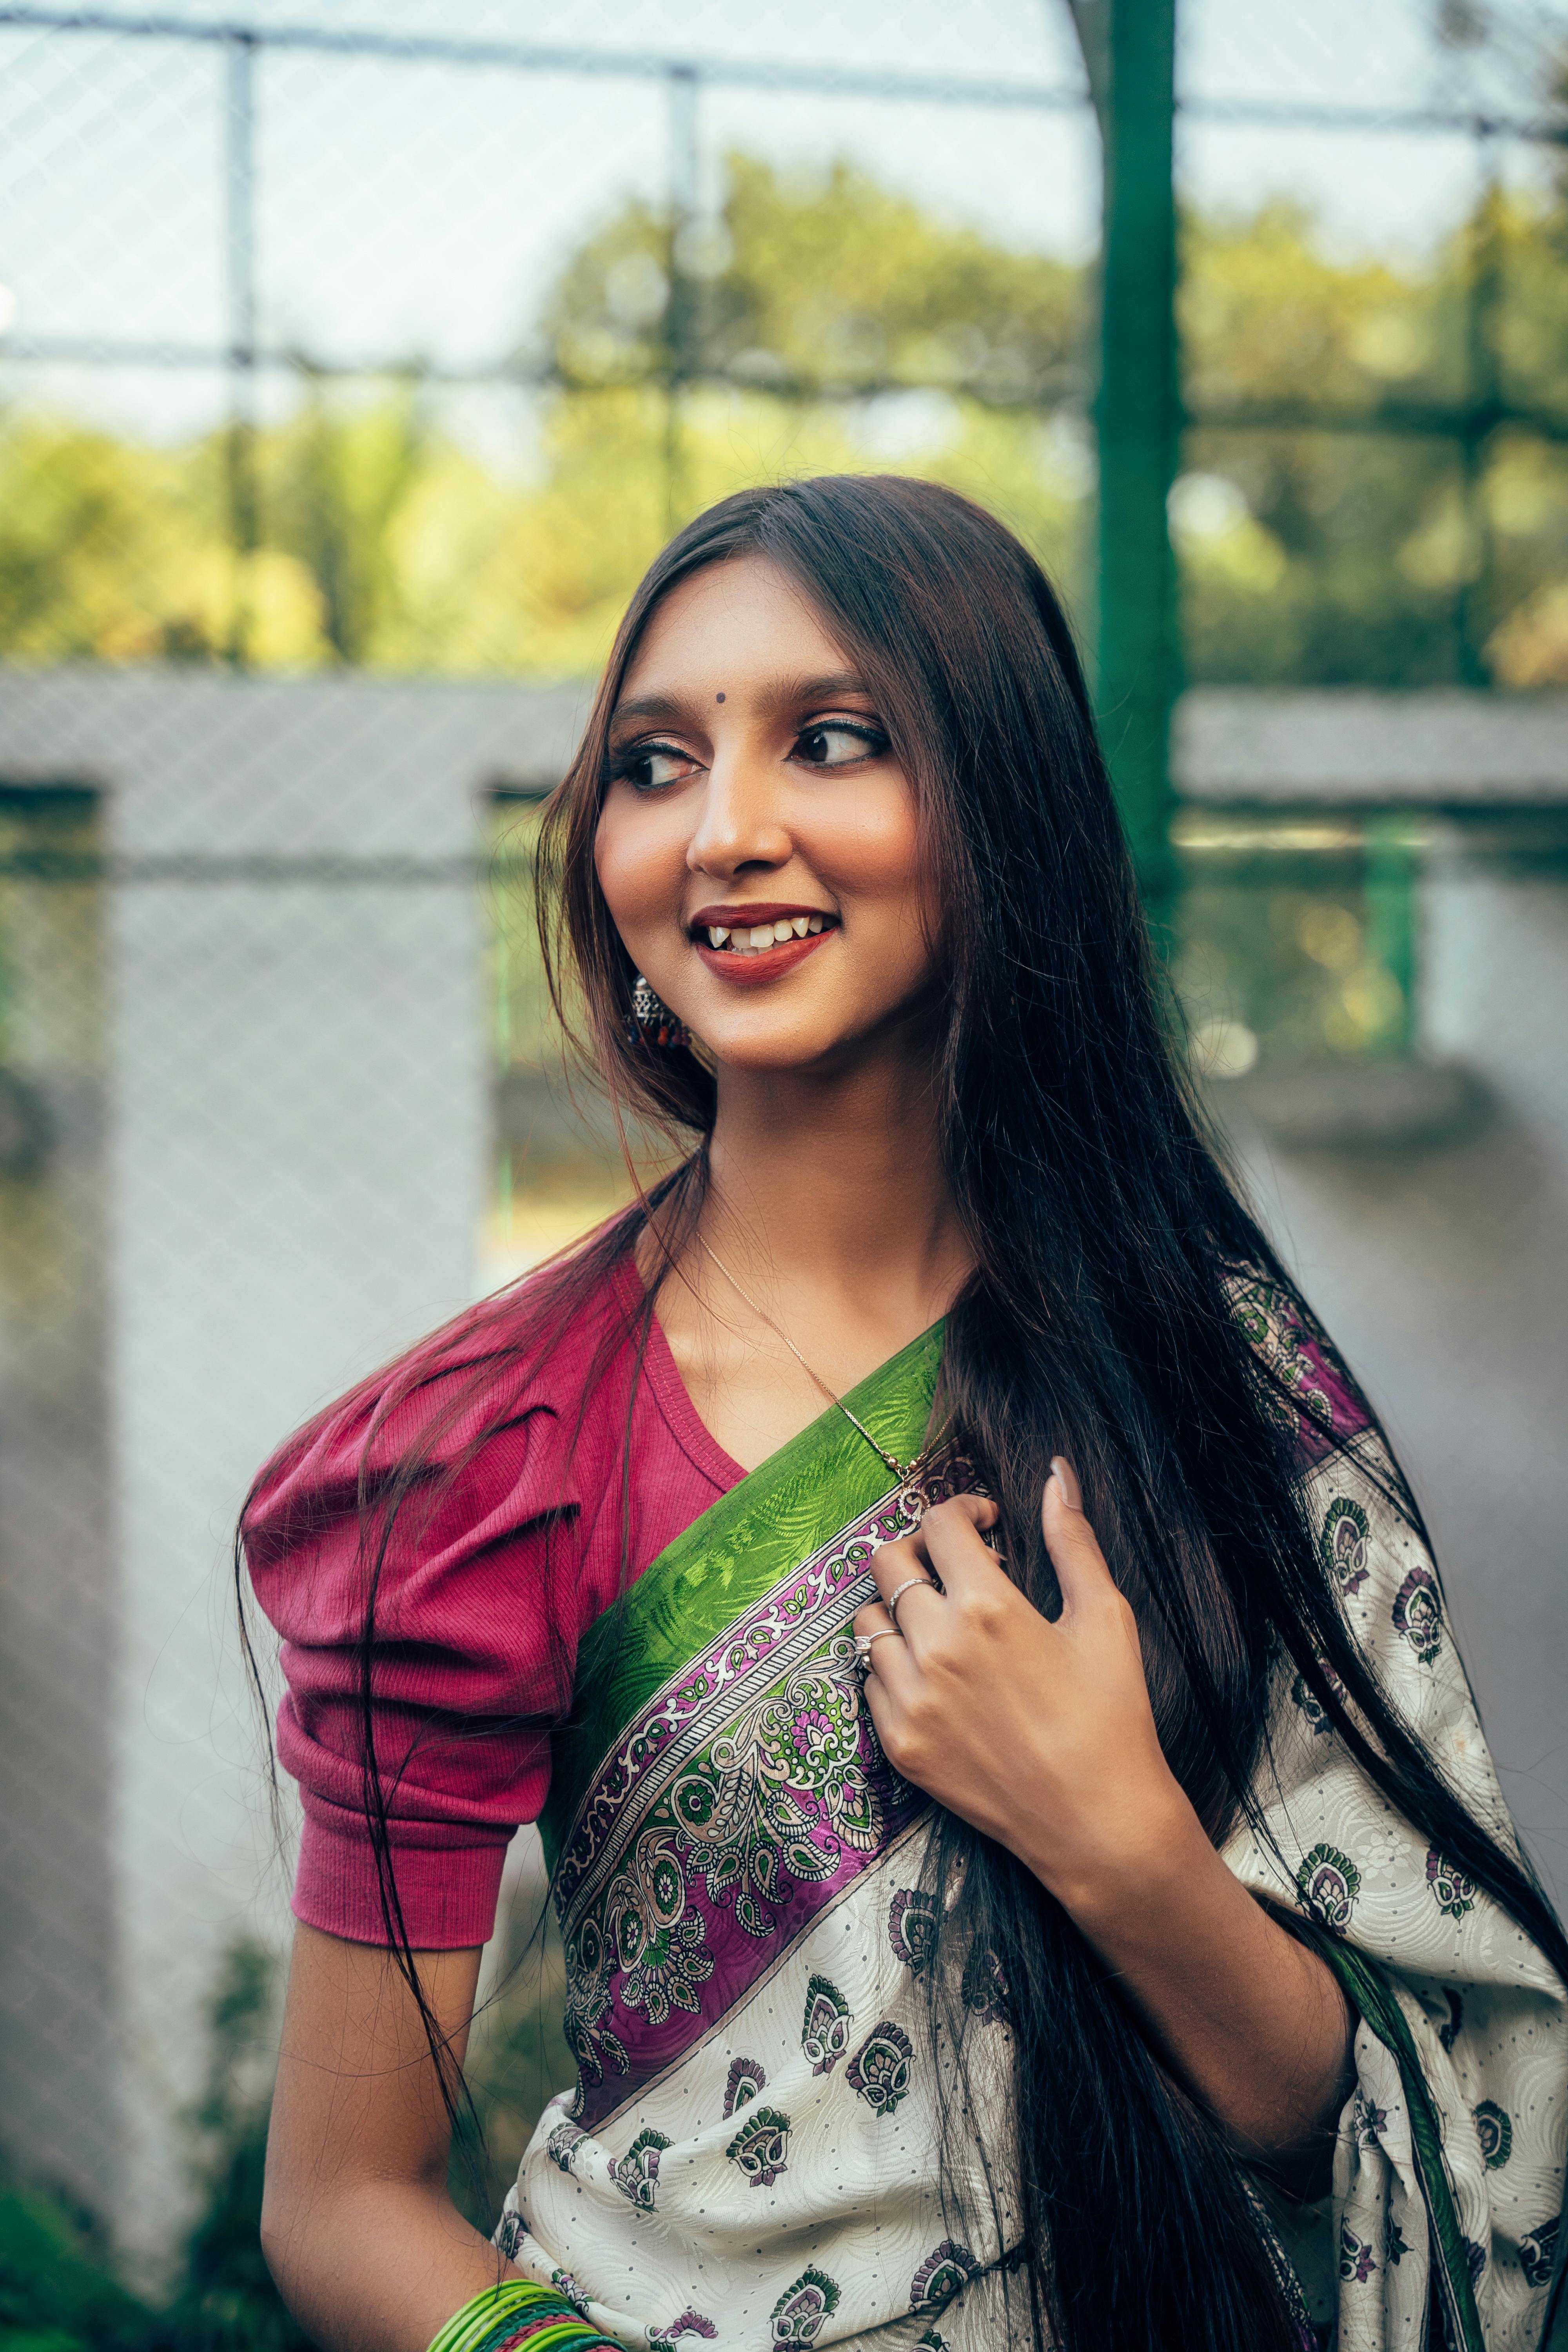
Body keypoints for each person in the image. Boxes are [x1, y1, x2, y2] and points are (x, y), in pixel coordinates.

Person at [245, 475, 1567, 2352]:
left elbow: (1381, 2118)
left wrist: (1109, 1833)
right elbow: (346, 2203)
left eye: (833, 741)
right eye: (652, 763)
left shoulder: (1210, 1382)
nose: (725, 831)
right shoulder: (485, 1462)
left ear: (999, 813)